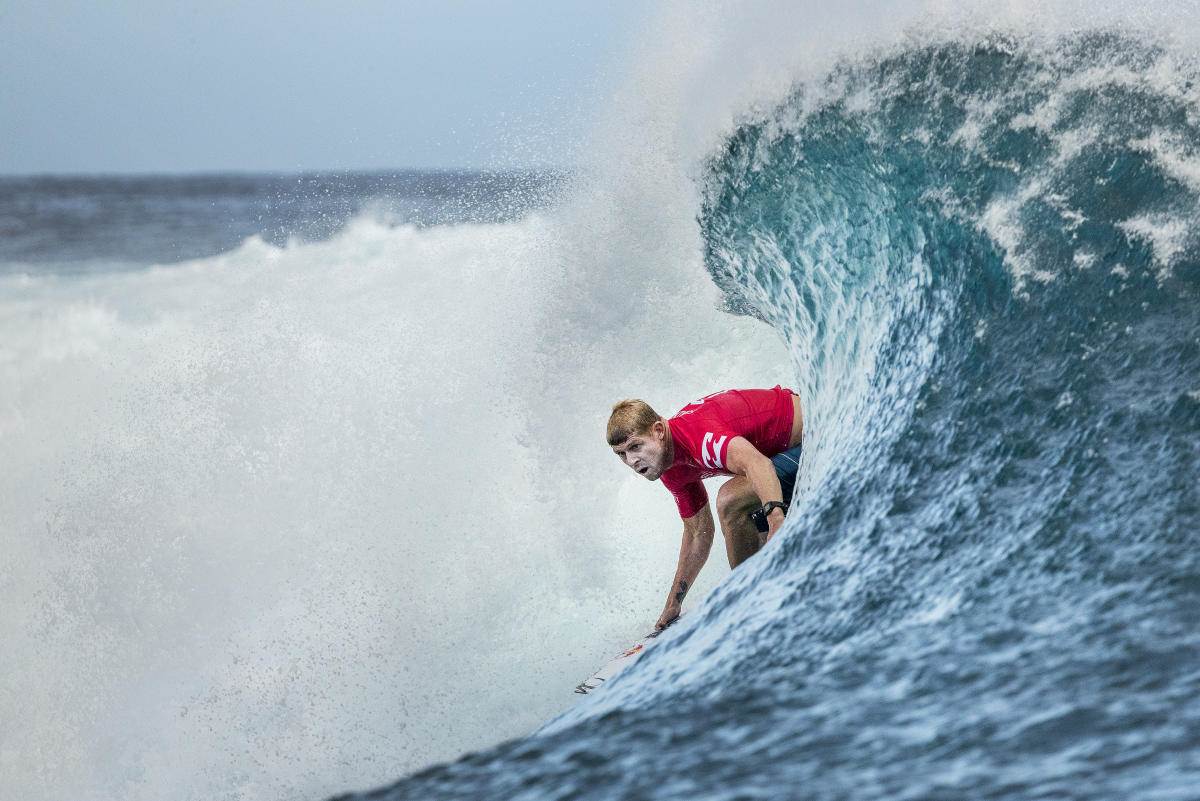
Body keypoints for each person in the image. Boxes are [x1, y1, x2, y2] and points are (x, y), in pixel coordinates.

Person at [607, 386, 804, 630]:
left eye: (635, 447)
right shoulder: (669, 465)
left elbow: (757, 464)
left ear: (658, 430)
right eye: (621, 454)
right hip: (785, 455)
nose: (632, 461)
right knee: (754, 536)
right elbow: (697, 531)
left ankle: (746, 601)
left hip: (814, 437)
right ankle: (777, 607)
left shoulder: (697, 436)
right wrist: (674, 603)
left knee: (730, 501)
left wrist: (777, 521)